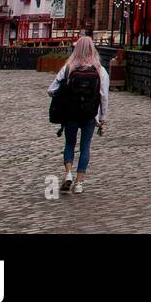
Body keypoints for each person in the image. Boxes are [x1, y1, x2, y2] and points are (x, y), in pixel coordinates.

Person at [48, 36, 109, 195]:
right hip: (90, 114)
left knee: (69, 144)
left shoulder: (69, 67)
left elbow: (51, 90)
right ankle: (79, 183)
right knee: (85, 147)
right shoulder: (100, 70)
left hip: (70, 113)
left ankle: (68, 173)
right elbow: (103, 96)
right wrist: (102, 117)